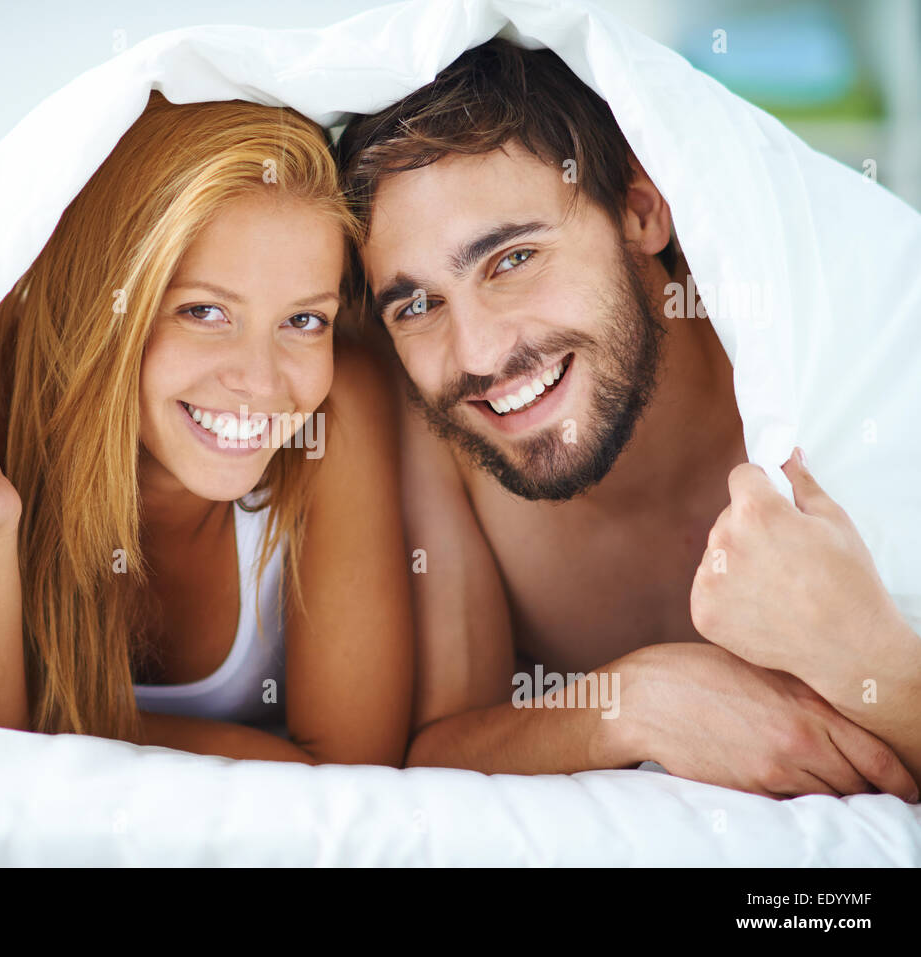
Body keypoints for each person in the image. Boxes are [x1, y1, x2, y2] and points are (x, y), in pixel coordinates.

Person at [336, 39, 920, 800]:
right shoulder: (433, 430)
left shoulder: (826, 371)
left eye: (513, 259)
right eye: (416, 305)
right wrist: (630, 702)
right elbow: (440, 747)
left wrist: (873, 662)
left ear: (641, 212)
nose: (477, 354)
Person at [0, 91, 413, 765]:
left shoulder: (336, 411)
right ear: (105, 302)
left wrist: (42, 718)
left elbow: (349, 775)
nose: (263, 383)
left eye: (303, 320)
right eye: (204, 311)